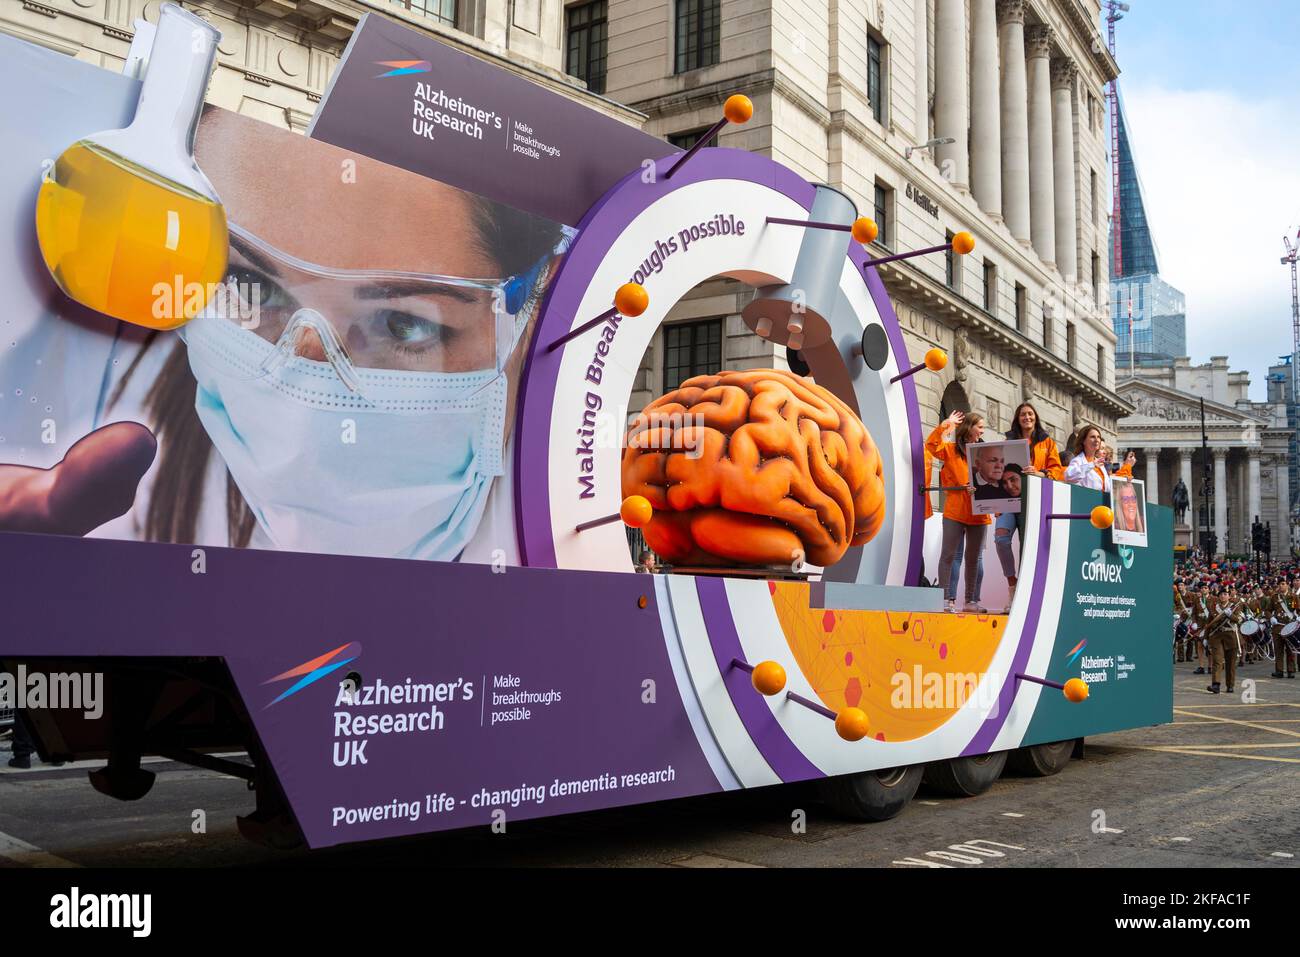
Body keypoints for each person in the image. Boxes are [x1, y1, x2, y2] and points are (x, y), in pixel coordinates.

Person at [0, 106, 565, 564]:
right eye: (249, 284)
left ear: (534, 307)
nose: (307, 370)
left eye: (403, 323)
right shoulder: (98, 372)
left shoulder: (566, 508)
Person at [926, 410, 990, 613]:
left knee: (974, 558)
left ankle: (971, 601)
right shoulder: (951, 450)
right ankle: (946, 599)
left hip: (979, 512)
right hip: (955, 510)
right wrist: (947, 425)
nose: (982, 430)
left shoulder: (986, 452)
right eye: (980, 426)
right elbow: (931, 446)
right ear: (969, 428)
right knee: (949, 555)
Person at [1064, 424, 1111, 492]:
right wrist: (1091, 465)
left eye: (1098, 437)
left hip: (1103, 502)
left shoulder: (1100, 464)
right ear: (1083, 441)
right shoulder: (1078, 460)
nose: (1096, 440)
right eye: (1092, 437)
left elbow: (1107, 488)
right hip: (1086, 501)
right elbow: (1068, 476)